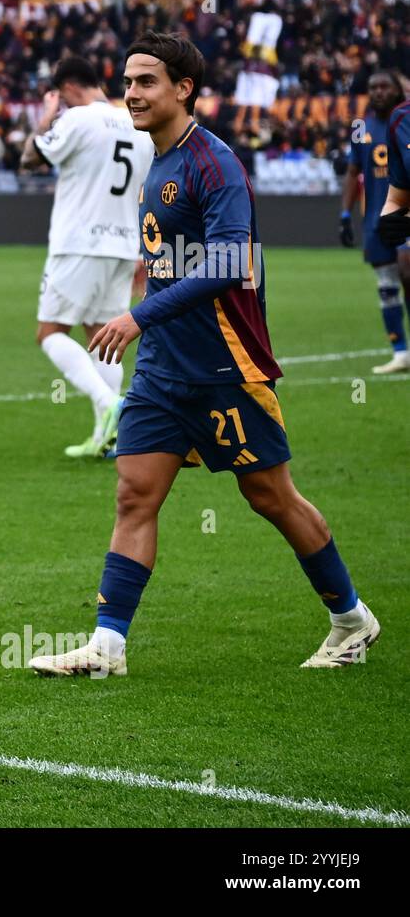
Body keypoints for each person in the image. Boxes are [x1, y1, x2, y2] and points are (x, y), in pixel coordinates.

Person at [30, 33, 378, 677]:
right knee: (135, 496)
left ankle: (352, 619)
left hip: (226, 366)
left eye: (146, 82)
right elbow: (175, 257)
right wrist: (150, 294)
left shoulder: (214, 164)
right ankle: (107, 647)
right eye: (128, 81)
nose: (132, 92)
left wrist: (138, 314)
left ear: (183, 89)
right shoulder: (154, 160)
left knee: (271, 497)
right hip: (164, 370)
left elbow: (225, 261)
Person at [21, 56, 154, 457]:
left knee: (49, 333)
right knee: (103, 338)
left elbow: (29, 159)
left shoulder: (77, 119)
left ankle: (111, 404)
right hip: (123, 244)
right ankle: (106, 438)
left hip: (78, 242)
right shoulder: (137, 127)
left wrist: (46, 117)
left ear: (67, 90)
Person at [339, 70, 410, 374]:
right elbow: (354, 171)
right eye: (373, 88)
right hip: (375, 221)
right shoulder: (360, 127)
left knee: (407, 272)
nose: (378, 92)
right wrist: (345, 215)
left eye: (384, 86)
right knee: (387, 285)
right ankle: (400, 352)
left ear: (397, 91)